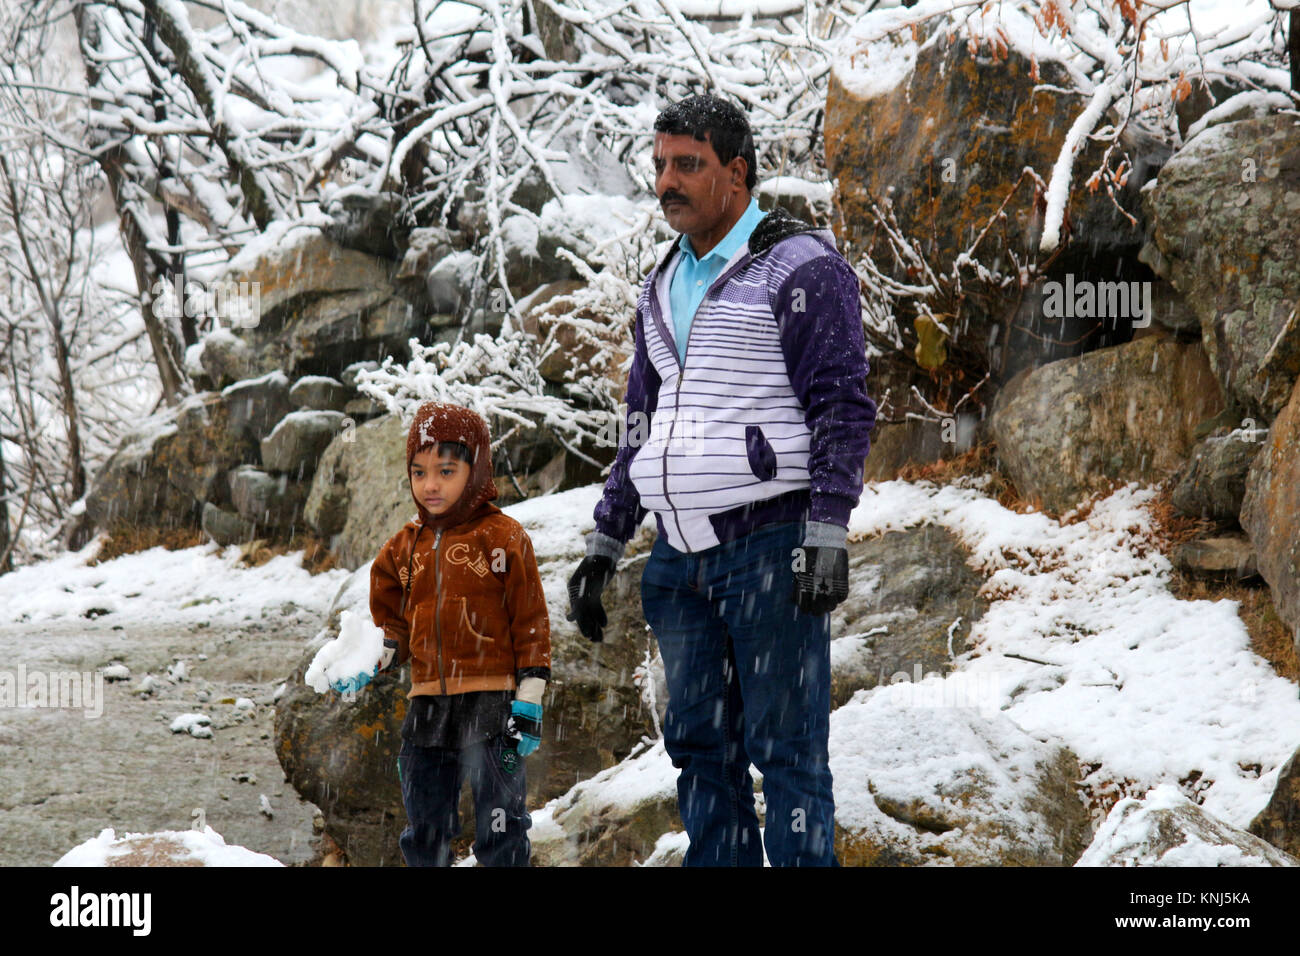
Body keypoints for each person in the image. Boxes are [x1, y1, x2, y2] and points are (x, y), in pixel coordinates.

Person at [566, 93, 876, 866]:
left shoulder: (801, 265)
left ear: (735, 173)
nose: (667, 181)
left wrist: (827, 533)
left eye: (688, 165)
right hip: (678, 564)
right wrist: (607, 540)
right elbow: (642, 422)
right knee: (701, 754)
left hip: (769, 547)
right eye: (661, 164)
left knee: (789, 754)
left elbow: (842, 405)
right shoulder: (660, 282)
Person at [343, 401, 551, 866]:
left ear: (475, 469)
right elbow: (393, 629)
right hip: (427, 708)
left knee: (502, 828)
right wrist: (366, 661)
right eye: (419, 472)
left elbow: (531, 623)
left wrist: (530, 701)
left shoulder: (504, 537)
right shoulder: (402, 548)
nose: (430, 485)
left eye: (446, 470)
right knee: (425, 831)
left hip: (494, 708)